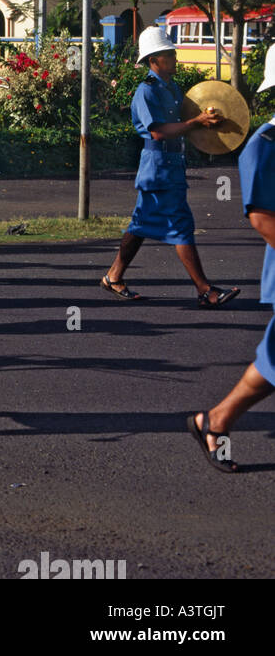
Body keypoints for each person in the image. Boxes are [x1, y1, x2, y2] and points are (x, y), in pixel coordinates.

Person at [101, 27, 239, 307]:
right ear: (153, 60)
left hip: (171, 165)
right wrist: (195, 123)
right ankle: (205, 290)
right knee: (180, 224)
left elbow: (188, 123)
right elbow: (158, 132)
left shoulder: (174, 89)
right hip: (157, 167)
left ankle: (113, 276)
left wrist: (210, 122)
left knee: (140, 225)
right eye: (168, 53)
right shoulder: (146, 91)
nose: (174, 56)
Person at [187, 45, 275, 472]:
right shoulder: (263, 146)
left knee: (273, 360)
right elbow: (260, 218)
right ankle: (216, 419)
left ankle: (216, 420)